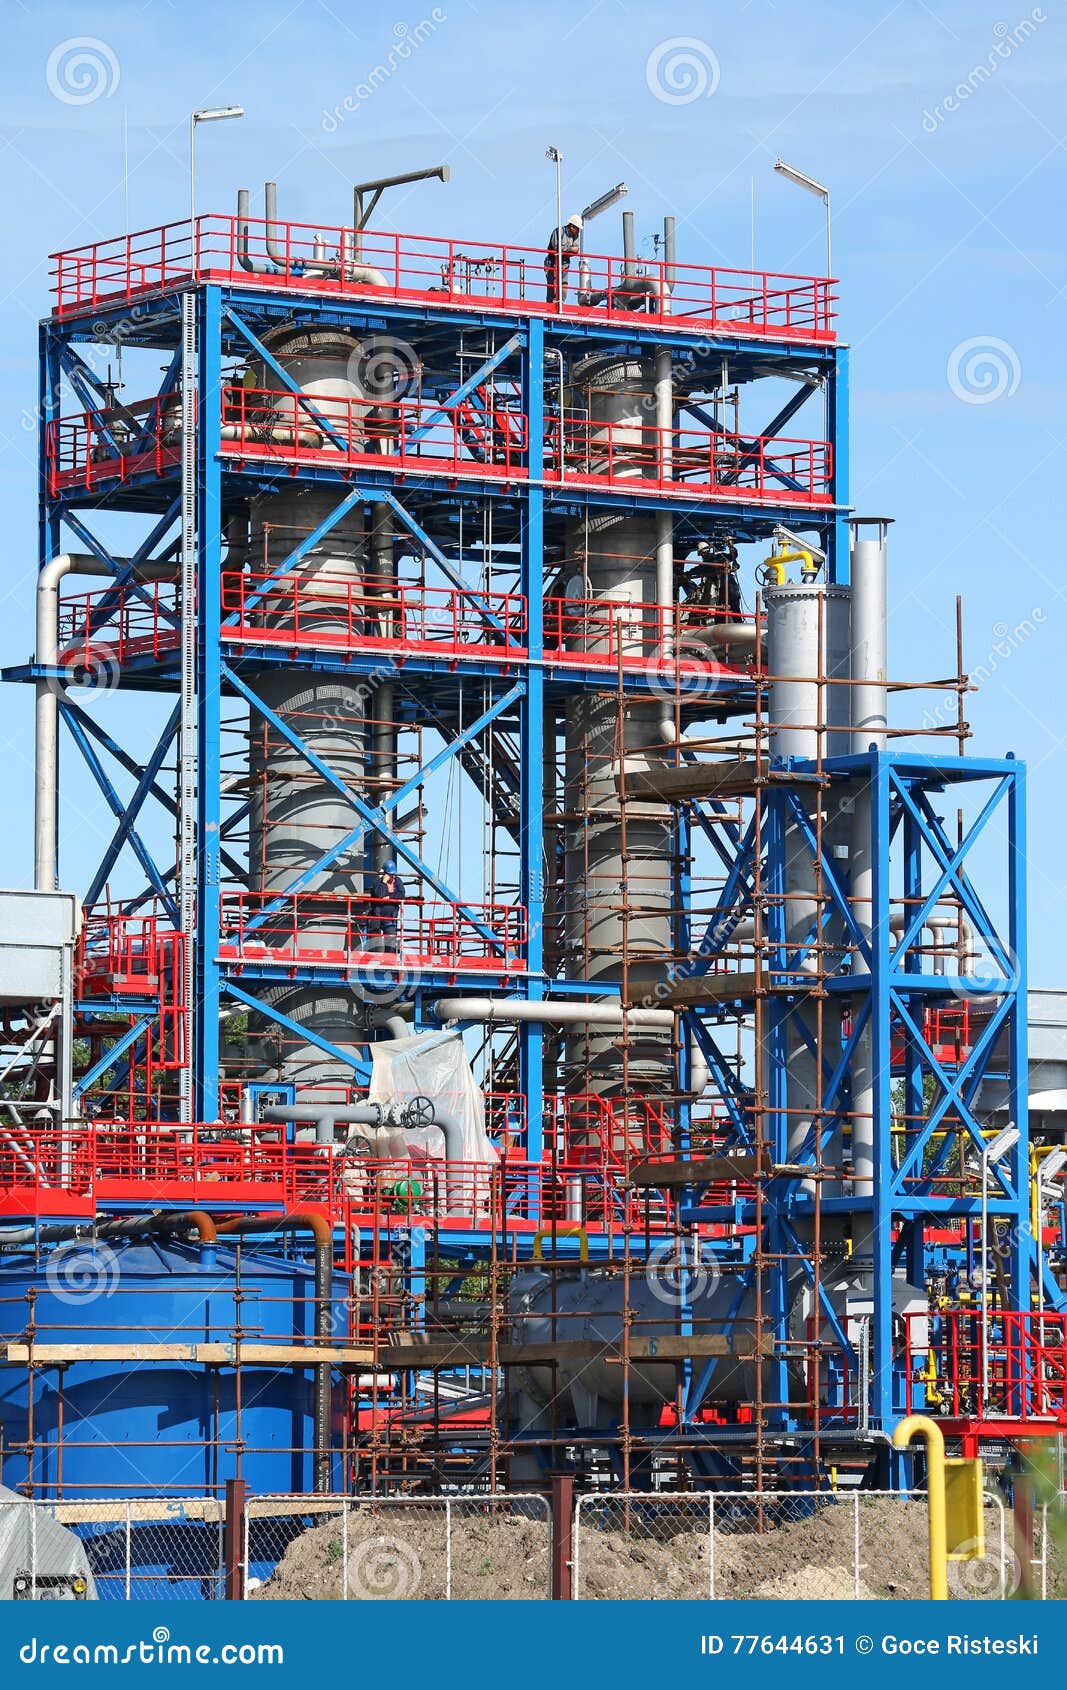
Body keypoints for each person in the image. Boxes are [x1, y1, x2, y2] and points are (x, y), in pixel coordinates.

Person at [364, 857, 405, 954]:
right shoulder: (377, 882)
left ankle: (389, 957)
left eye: (393, 875)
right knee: (374, 938)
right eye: (390, 875)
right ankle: (371, 956)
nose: (392, 877)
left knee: (390, 937)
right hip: (377, 915)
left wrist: (389, 898)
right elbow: (379, 894)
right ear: (385, 874)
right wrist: (384, 882)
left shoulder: (398, 882)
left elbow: (401, 895)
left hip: (390, 916)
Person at [545, 214, 583, 304]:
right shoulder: (559, 231)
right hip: (552, 262)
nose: (578, 231)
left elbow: (576, 250)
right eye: (577, 228)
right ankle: (551, 305)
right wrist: (569, 249)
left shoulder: (575, 235)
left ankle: (560, 303)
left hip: (565, 264)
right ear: (572, 226)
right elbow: (555, 247)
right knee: (553, 287)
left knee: (564, 286)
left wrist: (565, 249)